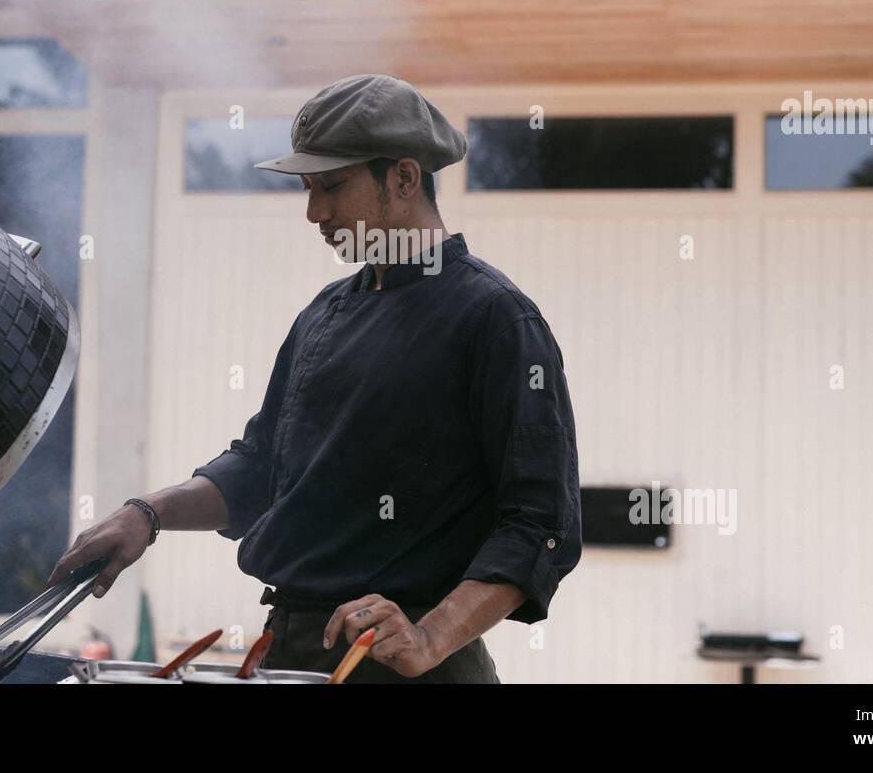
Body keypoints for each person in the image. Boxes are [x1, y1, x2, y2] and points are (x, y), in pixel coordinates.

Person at [48, 73, 582, 682]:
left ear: (405, 178)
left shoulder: (496, 319)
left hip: (406, 667)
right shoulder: (323, 313)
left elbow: (540, 523)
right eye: (308, 188)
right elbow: (259, 470)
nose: (314, 213)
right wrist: (146, 514)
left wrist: (430, 635)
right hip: (290, 654)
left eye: (332, 186)